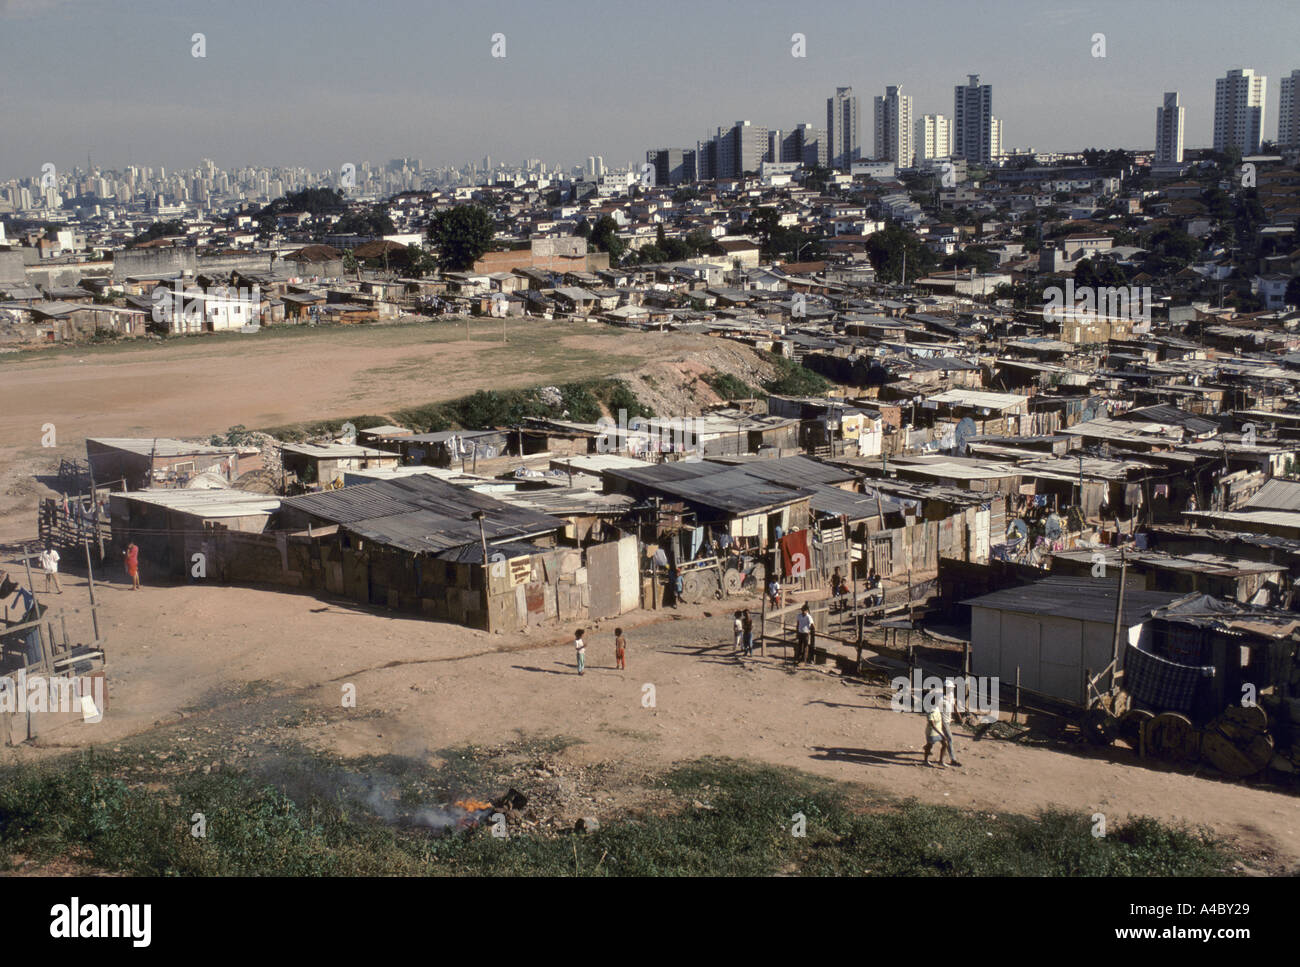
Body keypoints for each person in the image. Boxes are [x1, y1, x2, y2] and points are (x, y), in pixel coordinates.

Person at [940, 679, 962, 767]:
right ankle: (953, 759)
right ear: (944, 688)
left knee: (941, 738)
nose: (950, 690)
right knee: (949, 739)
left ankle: (928, 747)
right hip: (943, 721)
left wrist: (958, 716)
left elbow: (954, 705)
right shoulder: (940, 698)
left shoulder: (951, 695)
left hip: (948, 720)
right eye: (949, 688)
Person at [923, 703, 949, 768]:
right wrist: (941, 734)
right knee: (929, 746)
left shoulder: (937, 708)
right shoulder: (930, 713)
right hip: (932, 733)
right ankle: (925, 760)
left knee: (945, 744)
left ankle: (941, 761)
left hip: (939, 731)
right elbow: (933, 725)